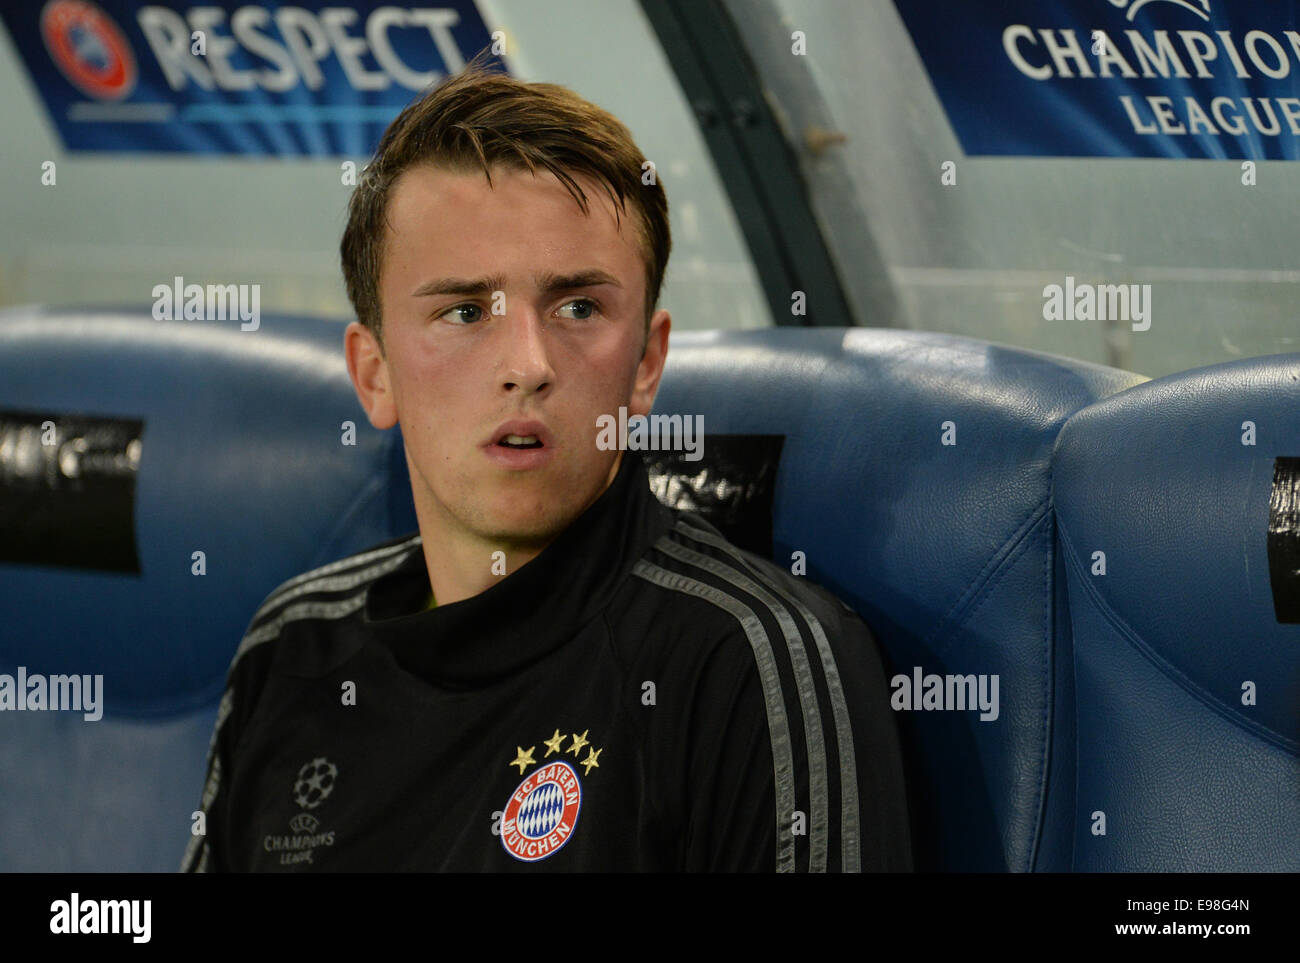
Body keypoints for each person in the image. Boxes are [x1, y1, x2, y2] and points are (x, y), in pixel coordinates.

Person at [181, 53, 911, 872]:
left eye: (577, 307)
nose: (527, 362)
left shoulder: (754, 664)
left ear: (645, 363)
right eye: (464, 309)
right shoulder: (294, 646)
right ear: (373, 373)